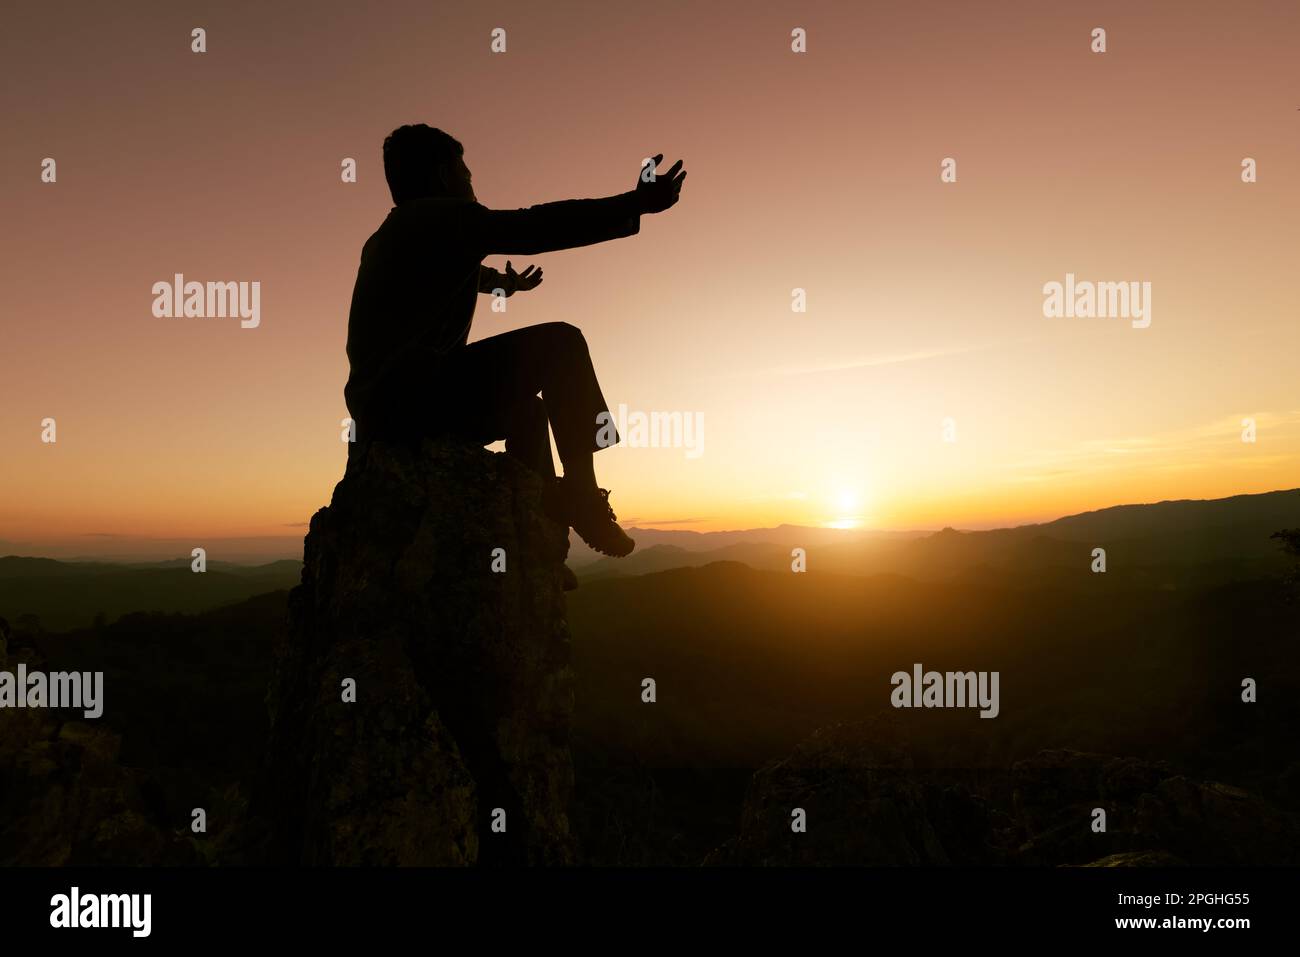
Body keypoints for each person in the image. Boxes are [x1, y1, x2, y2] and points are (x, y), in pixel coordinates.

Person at [344, 125, 686, 559]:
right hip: (412, 397)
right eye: (465, 171)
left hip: (389, 413)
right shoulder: (439, 217)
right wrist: (636, 203)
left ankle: (543, 542)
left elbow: (461, 274)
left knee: (528, 412)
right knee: (561, 345)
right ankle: (582, 494)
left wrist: (505, 284)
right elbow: (534, 226)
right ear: (444, 175)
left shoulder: (397, 235)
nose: (471, 181)